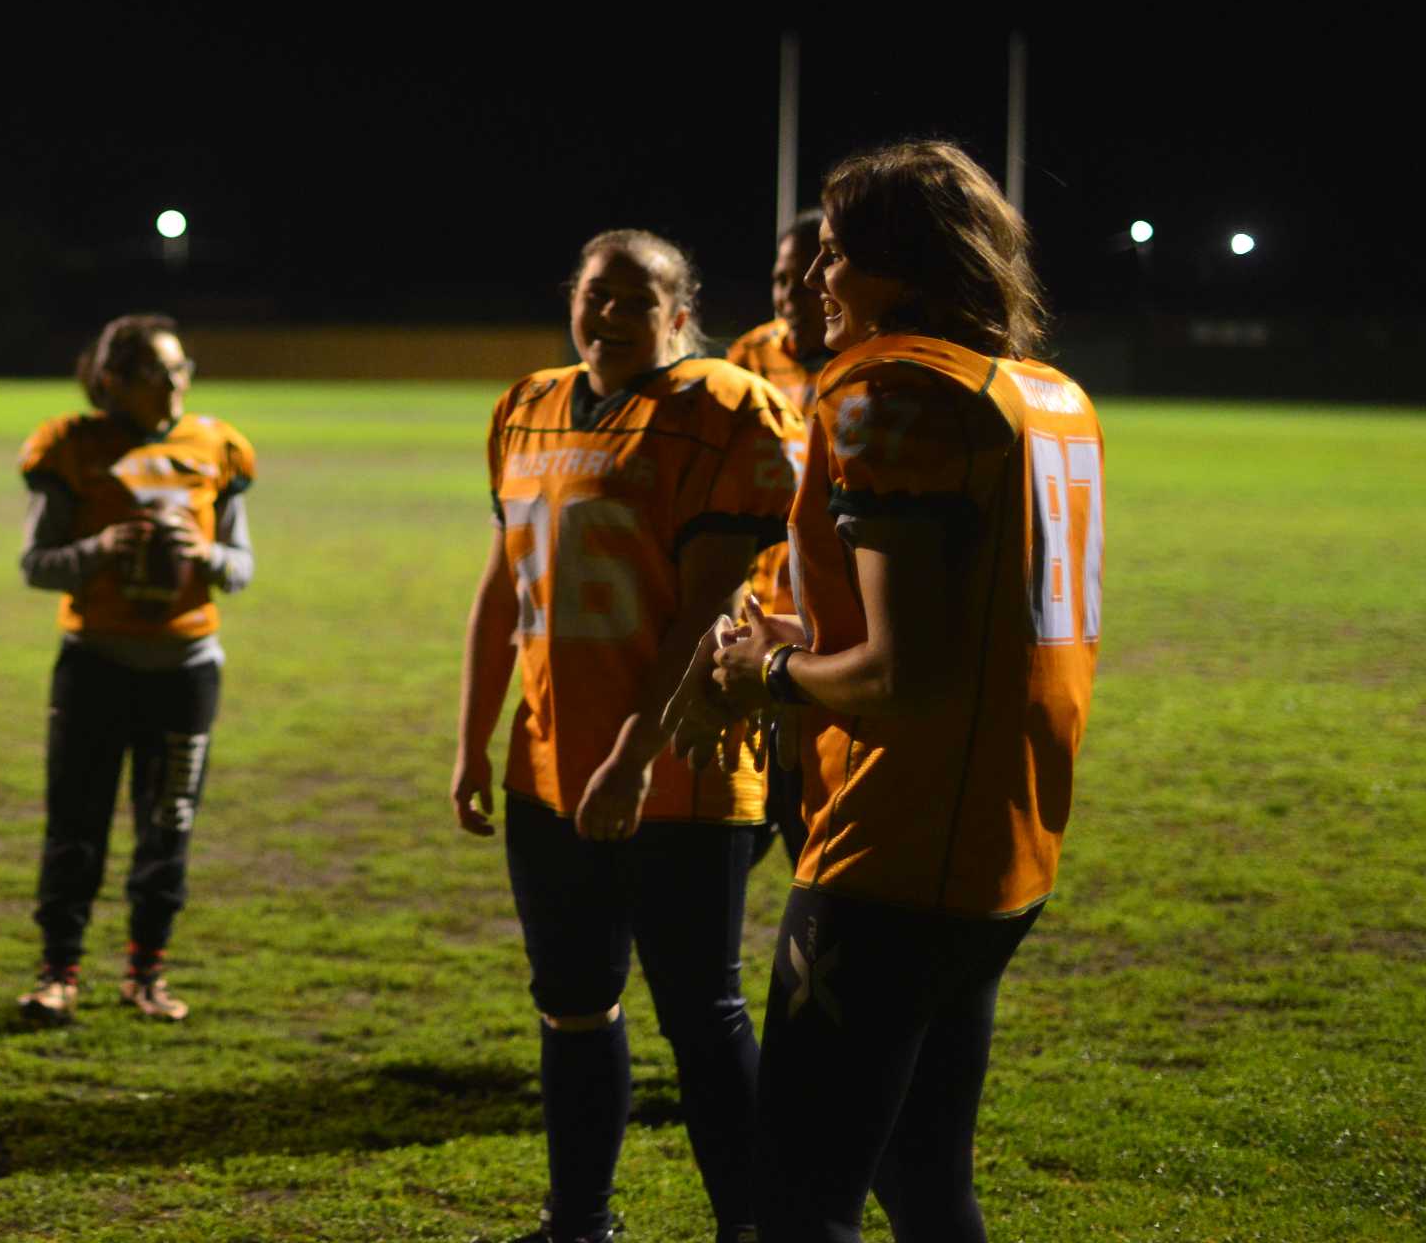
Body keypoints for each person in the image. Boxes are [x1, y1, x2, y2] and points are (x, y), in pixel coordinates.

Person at [687, 139, 1106, 1243]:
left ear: (901, 265)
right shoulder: (1048, 392)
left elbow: (899, 675)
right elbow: (953, 626)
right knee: (925, 1182)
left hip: (895, 850)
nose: (818, 280)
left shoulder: (891, 386)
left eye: (835, 255)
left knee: (793, 1203)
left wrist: (761, 671)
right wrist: (805, 627)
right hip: (1006, 848)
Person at [451, 230, 798, 1243]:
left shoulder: (730, 408)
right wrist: (474, 737)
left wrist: (632, 754)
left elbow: (706, 608)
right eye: (594, 293)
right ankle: (580, 1225)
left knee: (703, 1012)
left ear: (680, 313)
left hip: (678, 766)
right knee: (571, 1002)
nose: (606, 314)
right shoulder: (526, 402)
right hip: (550, 760)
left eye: (633, 298)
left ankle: (756, 1227)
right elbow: (502, 585)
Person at [13, 312, 255, 1025]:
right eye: (157, 371)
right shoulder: (71, 446)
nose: (175, 384)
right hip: (95, 665)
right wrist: (104, 546)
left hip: (186, 670)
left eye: (182, 368)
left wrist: (202, 554)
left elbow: (240, 567)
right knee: (76, 824)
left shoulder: (217, 447)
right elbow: (36, 565)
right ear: (113, 381)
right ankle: (58, 972)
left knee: (167, 825)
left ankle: (147, 974)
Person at [725, 206, 830, 861]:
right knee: (730, 828)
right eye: (780, 277)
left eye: (806, 276)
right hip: (752, 620)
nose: (791, 293)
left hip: (823, 639)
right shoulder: (752, 355)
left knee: (809, 831)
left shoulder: (873, 368)